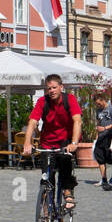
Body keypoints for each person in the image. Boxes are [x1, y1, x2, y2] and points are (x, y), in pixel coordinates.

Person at [23, 75, 82, 211]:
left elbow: (77, 121)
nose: (52, 90)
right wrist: (27, 142)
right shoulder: (42, 101)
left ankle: (67, 192)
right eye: (49, 88)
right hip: (47, 142)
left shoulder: (70, 99)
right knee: (46, 178)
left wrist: (74, 143)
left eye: (54, 87)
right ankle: (45, 212)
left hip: (65, 141)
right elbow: (32, 122)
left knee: (65, 164)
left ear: (61, 87)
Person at [93, 93, 112, 187]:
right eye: (97, 104)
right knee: (99, 157)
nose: (98, 105)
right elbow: (98, 124)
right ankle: (104, 179)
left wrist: (106, 128)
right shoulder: (98, 111)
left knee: (110, 158)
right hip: (101, 137)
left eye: (99, 103)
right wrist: (96, 136)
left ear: (103, 100)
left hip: (109, 136)